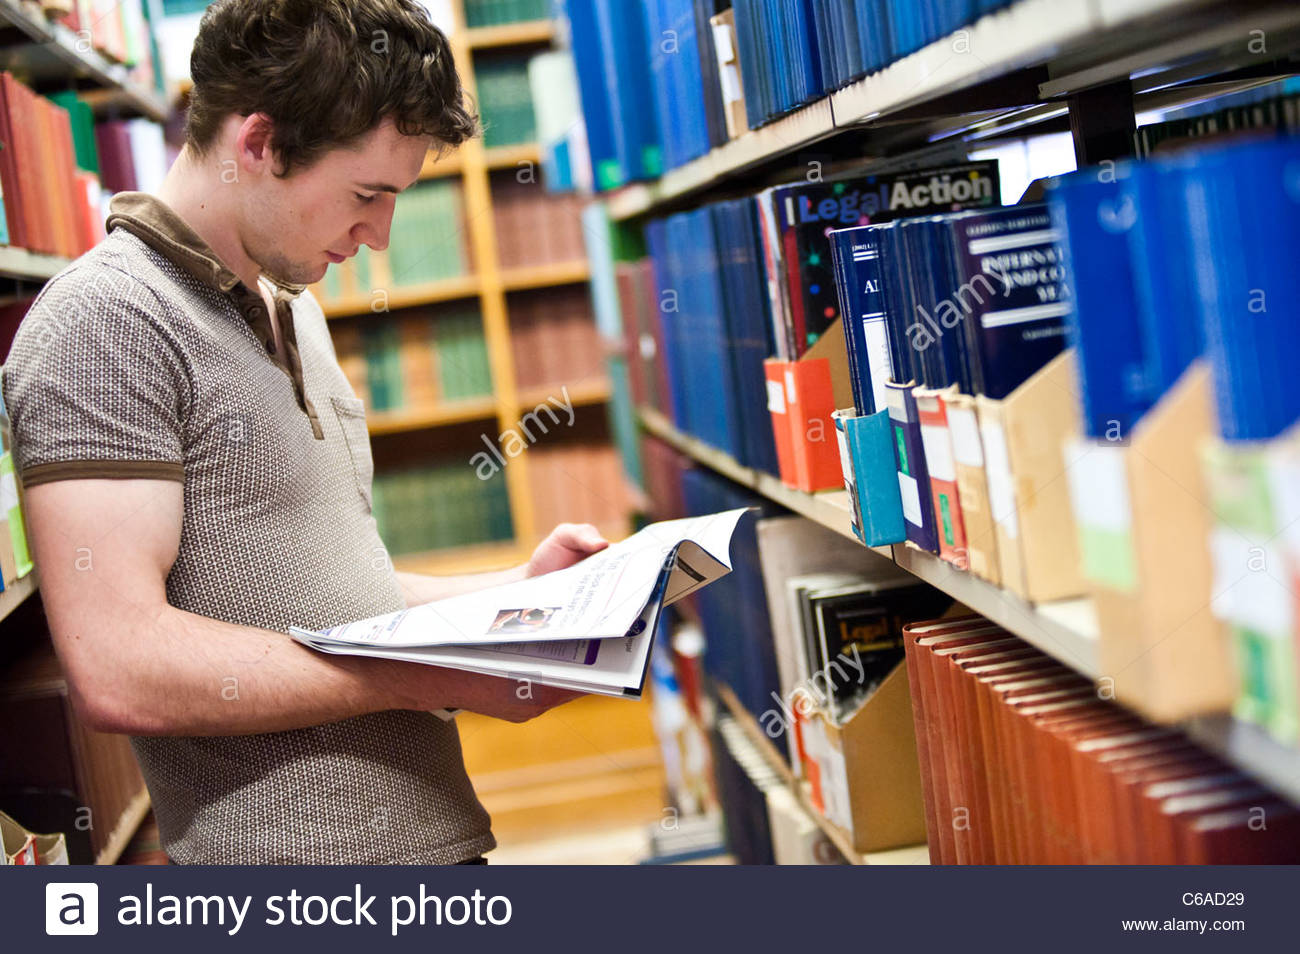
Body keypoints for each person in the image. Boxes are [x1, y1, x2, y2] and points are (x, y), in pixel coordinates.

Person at [1, 0, 607, 864]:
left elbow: (331, 600)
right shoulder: (103, 323)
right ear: (258, 144)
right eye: (367, 194)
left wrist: (517, 595)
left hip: (429, 850)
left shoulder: (293, 306)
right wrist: (437, 676)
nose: (381, 234)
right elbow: (119, 664)